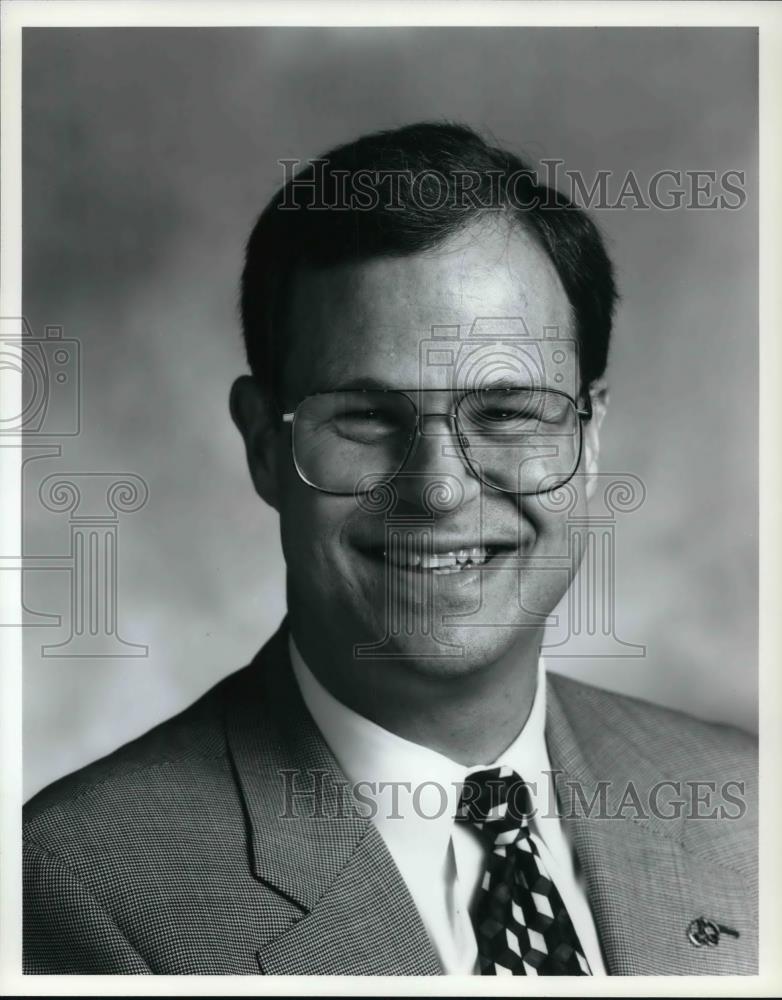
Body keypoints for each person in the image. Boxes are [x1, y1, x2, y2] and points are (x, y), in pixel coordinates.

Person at [23, 122, 757, 976]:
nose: (441, 488)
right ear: (265, 445)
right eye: (368, 419)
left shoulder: (746, 802)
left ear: (588, 443)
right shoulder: (81, 888)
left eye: (509, 412)